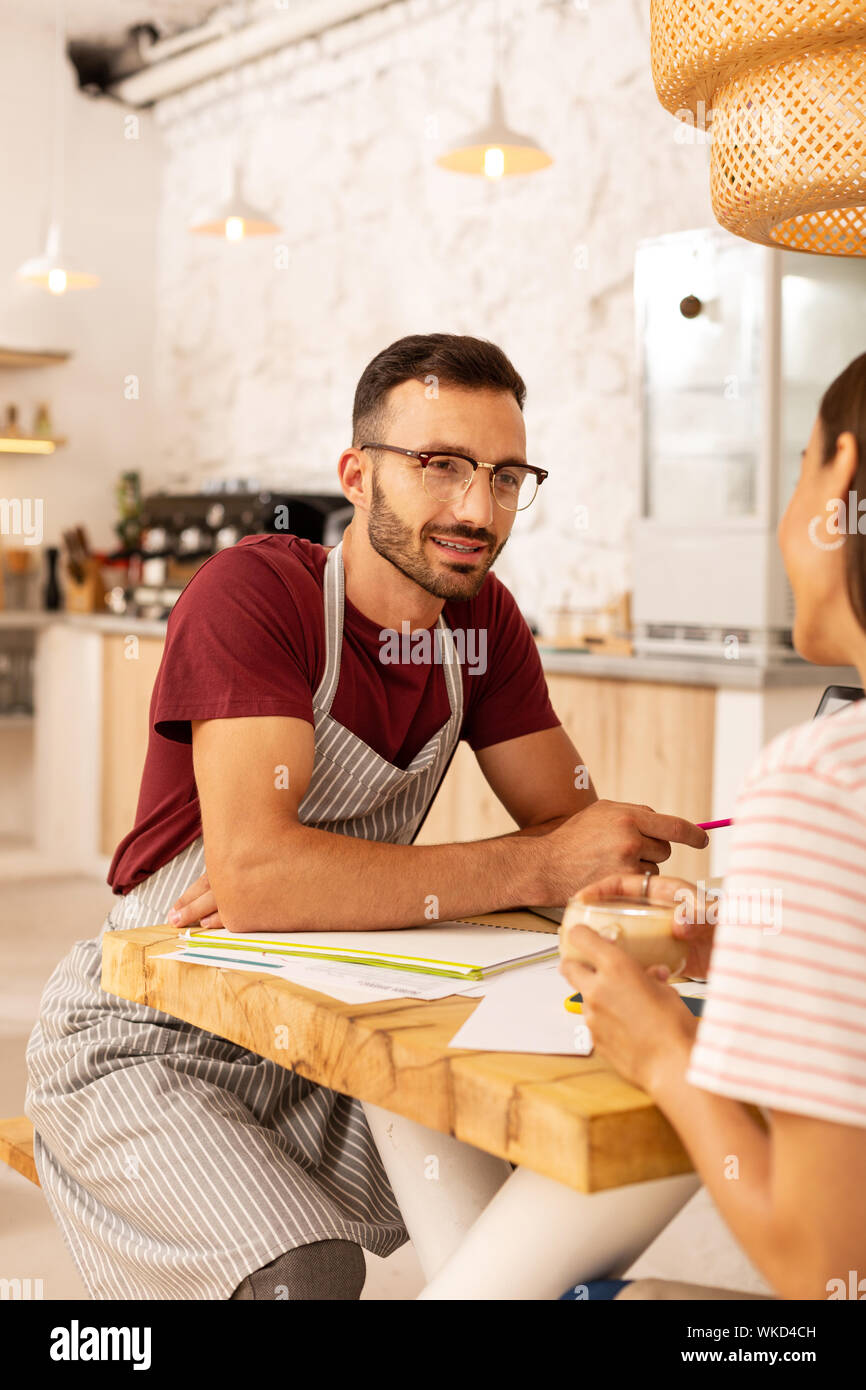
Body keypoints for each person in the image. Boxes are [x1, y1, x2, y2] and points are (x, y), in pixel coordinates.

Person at [25, 333, 707, 1301]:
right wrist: (523, 866)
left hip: (331, 1029)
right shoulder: (256, 597)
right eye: (441, 467)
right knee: (304, 1274)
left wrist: (623, 882)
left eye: (505, 476)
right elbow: (263, 885)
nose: (477, 508)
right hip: (148, 1034)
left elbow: (574, 841)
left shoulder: (482, 627)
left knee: (551, 1168)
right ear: (355, 473)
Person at [560, 351, 866, 1301]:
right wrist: (757, 949)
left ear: (840, 484)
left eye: (797, 469)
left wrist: (662, 1049)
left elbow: (826, 1272)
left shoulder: (822, 778)